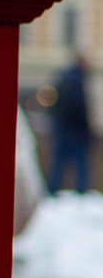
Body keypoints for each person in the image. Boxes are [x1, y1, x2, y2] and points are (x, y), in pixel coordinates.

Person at [50, 54, 92, 193]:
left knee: (59, 163)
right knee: (80, 163)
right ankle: (81, 192)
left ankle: (53, 189)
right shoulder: (77, 80)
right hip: (75, 130)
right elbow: (79, 107)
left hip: (62, 128)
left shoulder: (65, 77)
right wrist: (86, 130)